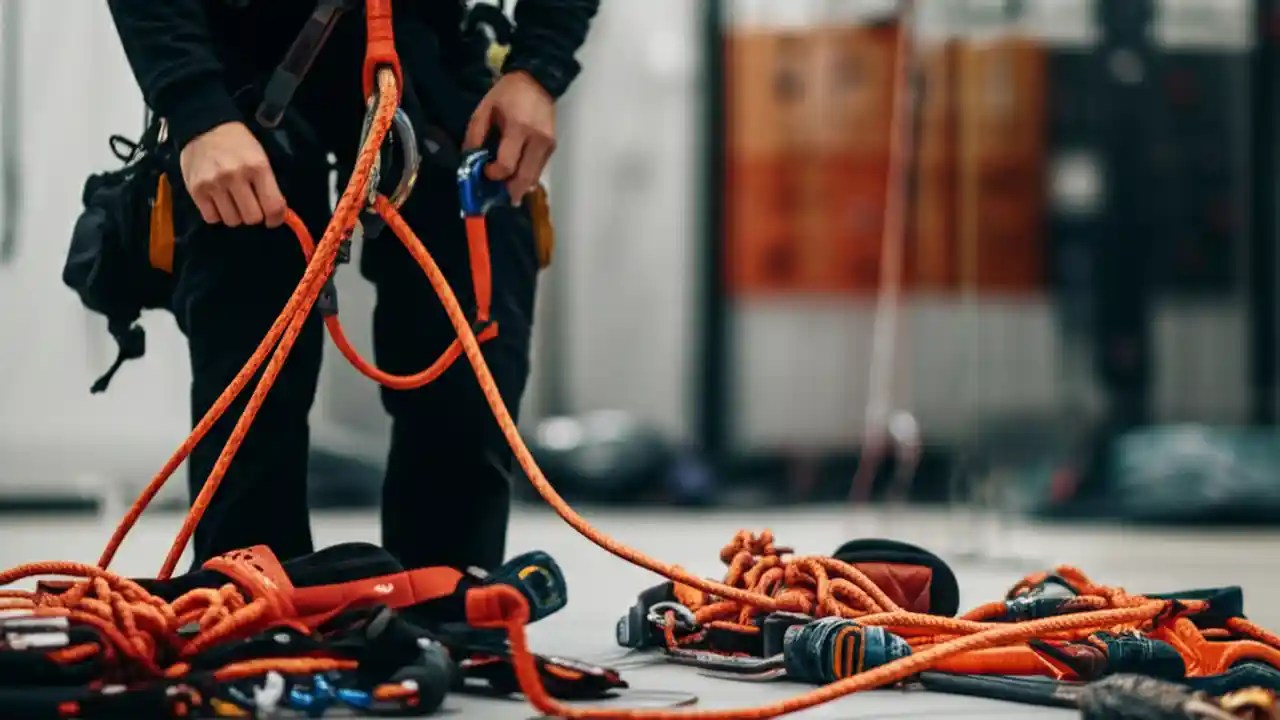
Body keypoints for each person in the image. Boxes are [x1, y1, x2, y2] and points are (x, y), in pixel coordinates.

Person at [105, 0, 598, 574]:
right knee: (248, 333)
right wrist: (194, 109)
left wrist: (538, 70)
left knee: (469, 338)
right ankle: (249, 610)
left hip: (423, 41)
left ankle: (447, 604)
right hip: (241, 50)